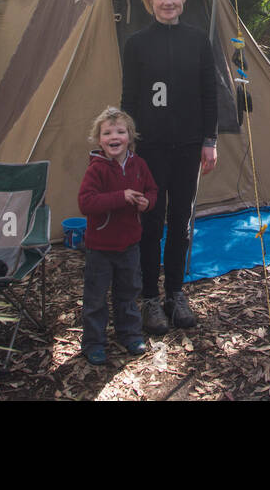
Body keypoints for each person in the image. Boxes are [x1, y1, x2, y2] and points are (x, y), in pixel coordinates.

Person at [121, 0, 218, 334]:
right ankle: (149, 297)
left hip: (188, 147)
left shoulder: (198, 41)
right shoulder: (136, 43)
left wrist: (209, 140)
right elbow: (129, 98)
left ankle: (175, 294)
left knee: (180, 222)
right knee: (150, 222)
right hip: (150, 148)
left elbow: (210, 94)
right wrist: (128, 147)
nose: (168, 2)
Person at [78, 106, 158, 365]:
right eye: (107, 133)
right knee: (96, 297)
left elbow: (152, 190)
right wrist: (120, 197)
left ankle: (130, 334)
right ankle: (93, 342)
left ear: (130, 137)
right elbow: (86, 203)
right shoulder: (97, 169)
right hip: (100, 247)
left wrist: (147, 202)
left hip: (129, 244)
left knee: (128, 293)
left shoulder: (139, 165)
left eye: (120, 132)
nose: (114, 137)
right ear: (99, 140)